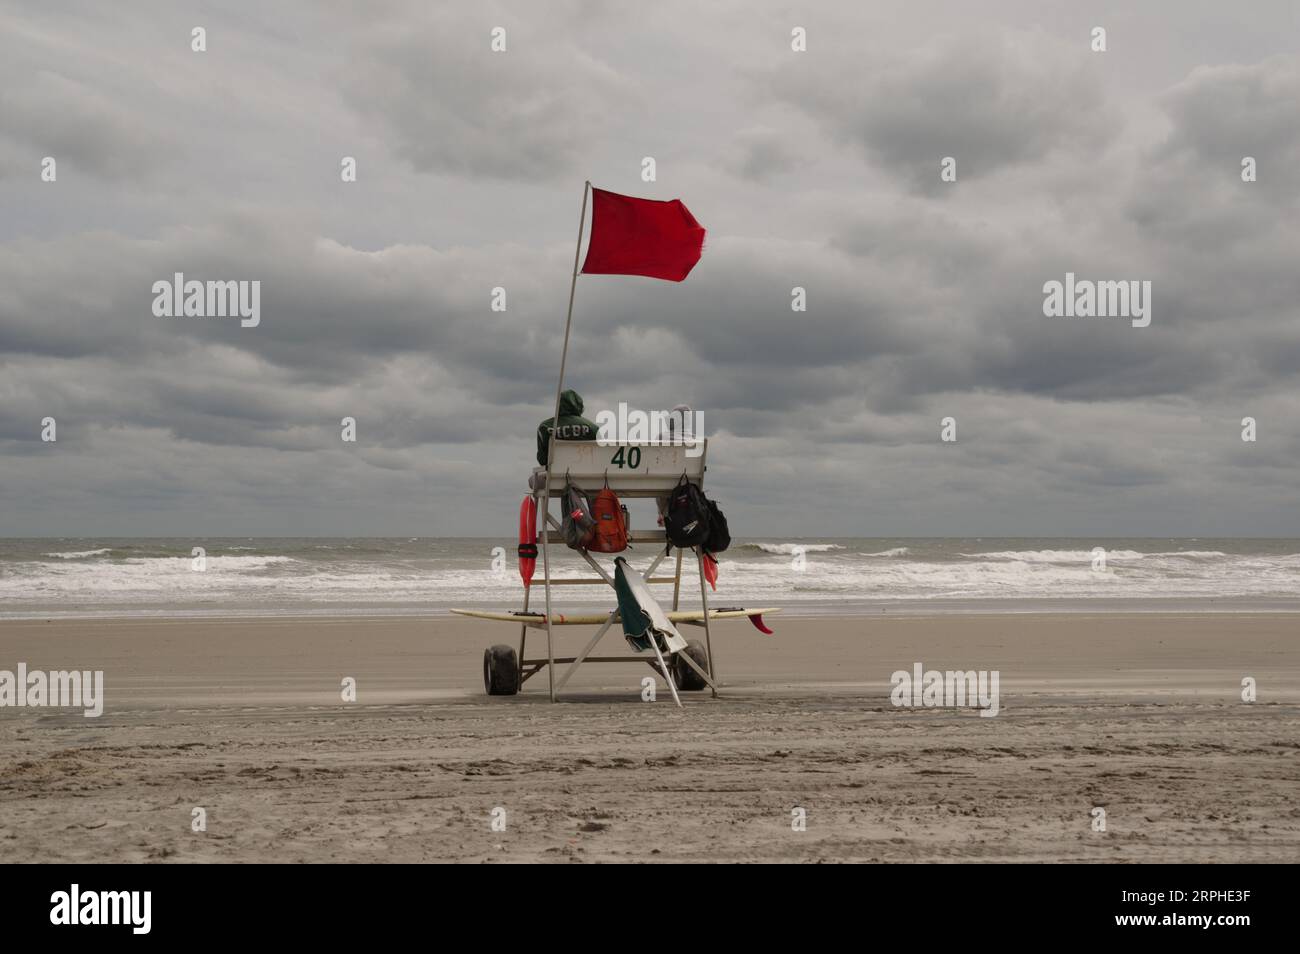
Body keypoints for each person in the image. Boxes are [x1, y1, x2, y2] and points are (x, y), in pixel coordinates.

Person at [536, 388, 598, 465]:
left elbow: (542, 460)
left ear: (559, 405)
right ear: (580, 406)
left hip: (556, 475)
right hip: (589, 473)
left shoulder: (545, 427)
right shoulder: (594, 428)